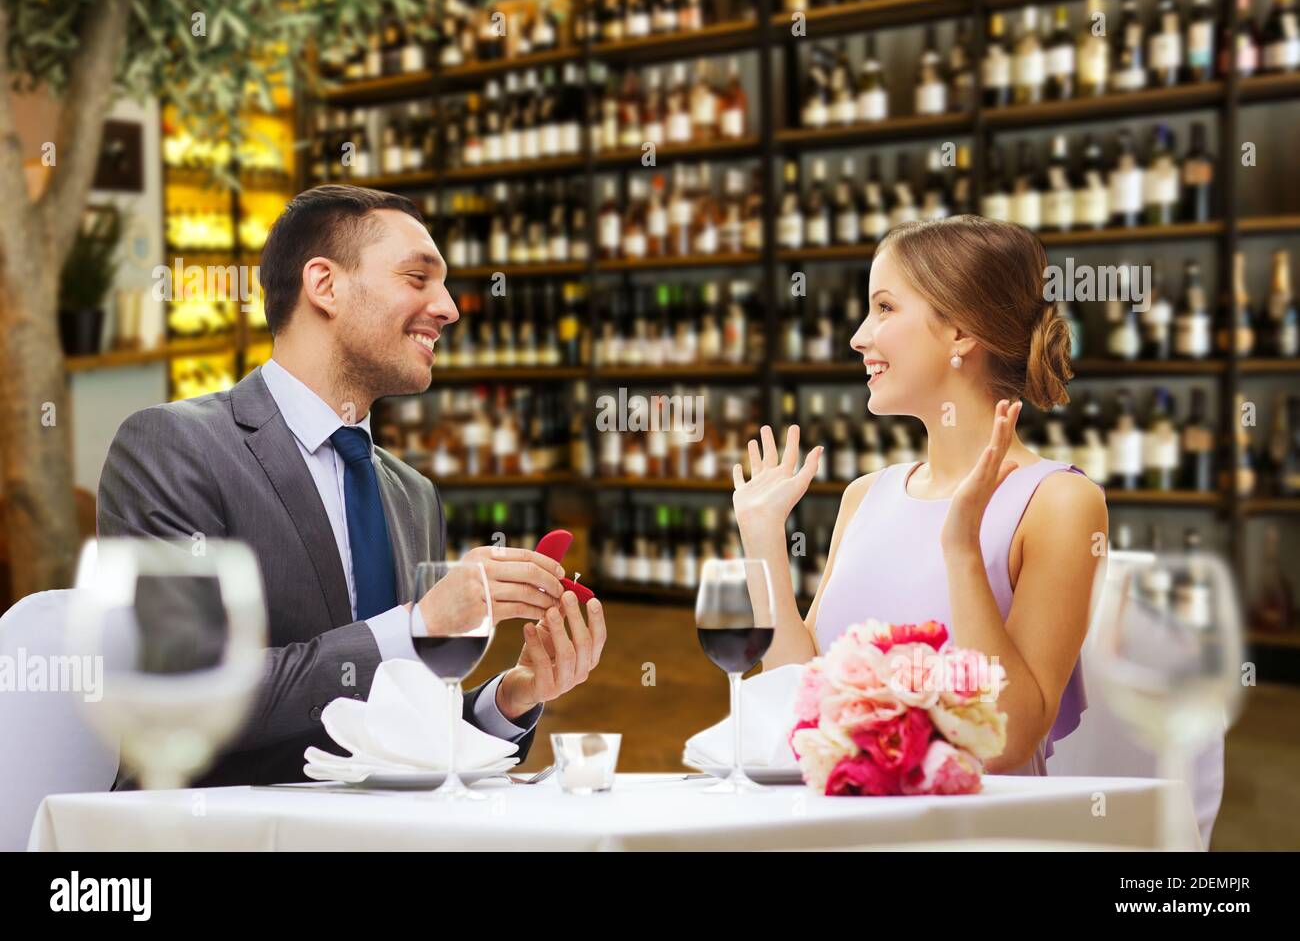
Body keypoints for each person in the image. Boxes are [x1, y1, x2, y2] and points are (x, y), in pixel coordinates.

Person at [98, 184, 606, 786]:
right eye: (418, 278)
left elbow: (393, 730)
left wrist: (512, 697)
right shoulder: (171, 447)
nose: (448, 308)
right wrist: (418, 628)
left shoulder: (411, 493)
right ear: (324, 286)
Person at [730, 215, 1106, 776]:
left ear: (961, 331)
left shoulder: (1060, 502)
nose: (859, 336)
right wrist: (763, 540)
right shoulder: (866, 495)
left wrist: (961, 548)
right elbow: (799, 698)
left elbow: (1008, 742)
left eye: (884, 307)